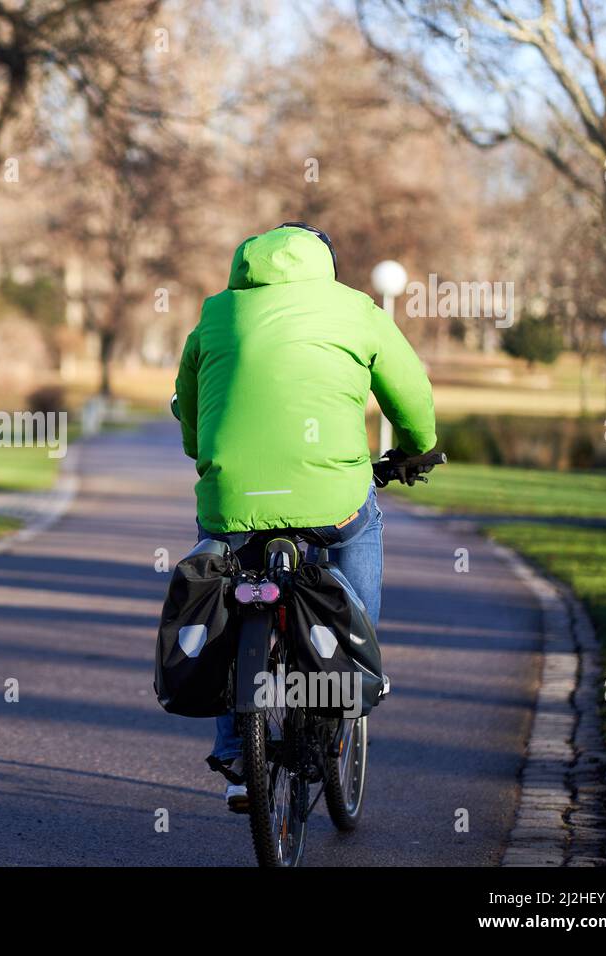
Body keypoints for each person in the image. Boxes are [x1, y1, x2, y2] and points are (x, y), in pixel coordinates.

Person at [173, 222, 437, 810]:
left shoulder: (216, 314)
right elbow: (411, 393)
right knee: (359, 527)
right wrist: (417, 445)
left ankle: (240, 756)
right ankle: (358, 652)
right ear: (326, 266)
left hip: (233, 503)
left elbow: (189, 412)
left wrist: (204, 451)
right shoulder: (356, 310)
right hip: (330, 499)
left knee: (223, 595)